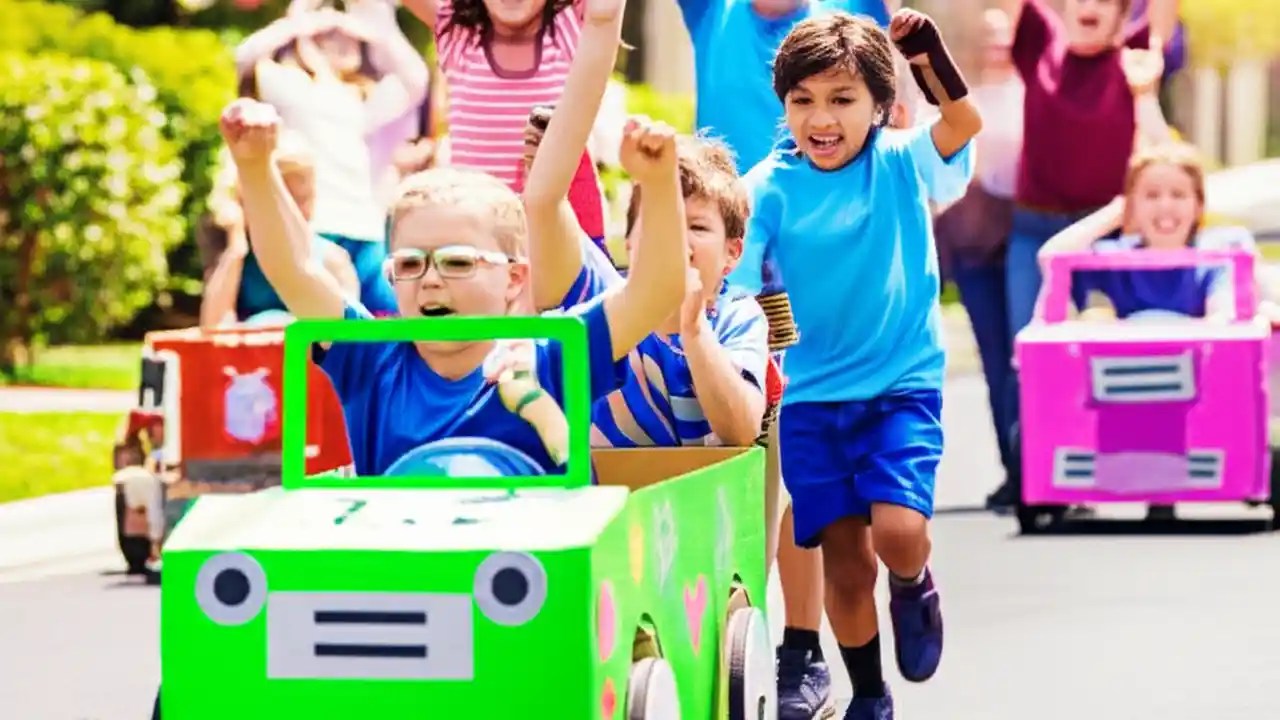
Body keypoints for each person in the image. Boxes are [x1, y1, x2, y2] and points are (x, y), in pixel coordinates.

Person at [218, 0, 688, 477]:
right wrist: (255, 167)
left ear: (514, 277)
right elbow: (295, 270)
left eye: (458, 262)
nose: (430, 281)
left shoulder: (550, 353)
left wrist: (659, 183)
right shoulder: (373, 361)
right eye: (408, 265)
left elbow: (656, 291)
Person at [727, 9, 980, 718]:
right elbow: (747, 285)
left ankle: (914, 581)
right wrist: (783, 343)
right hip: (812, 399)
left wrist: (928, 57)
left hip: (902, 386)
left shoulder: (900, 160)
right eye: (803, 100)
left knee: (898, 533)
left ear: (879, 105)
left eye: (841, 100)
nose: (821, 119)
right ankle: (870, 694)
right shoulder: (767, 187)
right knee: (843, 562)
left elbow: (962, 127)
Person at [521, 25, 769, 448]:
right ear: (630, 242)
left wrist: (694, 331)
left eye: (697, 227)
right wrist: (558, 148)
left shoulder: (736, 317)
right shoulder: (604, 294)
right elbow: (543, 205)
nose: (678, 241)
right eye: (661, 224)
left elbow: (741, 429)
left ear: (732, 254)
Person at [987, 0, 1171, 508]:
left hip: (1103, 237)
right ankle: (1028, 474)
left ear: (1121, 17)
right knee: (1026, 351)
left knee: (1108, 351)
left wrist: (1147, 83)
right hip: (1035, 232)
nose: (1089, 7)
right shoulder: (1039, 42)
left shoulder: (1133, 58)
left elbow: (1163, 22)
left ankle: (1118, 464)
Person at [237, 0, 430, 311]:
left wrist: (374, 30)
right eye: (331, 37)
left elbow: (415, 79)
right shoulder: (286, 87)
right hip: (317, 228)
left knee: (391, 315)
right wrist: (302, 20)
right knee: (327, 328)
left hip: (364, 230)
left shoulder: (360, 102)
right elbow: (245, 56)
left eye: (348, 37)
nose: (344, 40)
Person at [401, 0, 609, 253]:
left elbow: (606, 13)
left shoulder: (566, 31)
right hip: (481, 224)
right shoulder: (460, 35)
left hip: (560, 223)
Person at [930, 7, 1021, 511]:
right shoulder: (958, 101)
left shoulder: (1032, 96)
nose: (995, 43)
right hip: (972, 245)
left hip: (1023, 239)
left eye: (1004, 34)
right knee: (993, 359)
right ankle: (1013, 466)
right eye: (986, 36)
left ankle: (1037, 464)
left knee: (1026, 358)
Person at [1040, 142, 1260, 322]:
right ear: (1133, 205)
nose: (1165, 206)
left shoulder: (1215, 257)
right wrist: (1115, 213)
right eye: (1152, 195)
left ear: (1198, 206)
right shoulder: (1112, 258)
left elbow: (1224, 315)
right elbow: (1049, 258)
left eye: (1178, 195)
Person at [199, 139, 379, 328]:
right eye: (284, 202)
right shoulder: (238, 261)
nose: (294, 213)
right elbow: (214, 327)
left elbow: (345, 336)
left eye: (303, 199)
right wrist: (236, 249)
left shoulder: (331, 259)